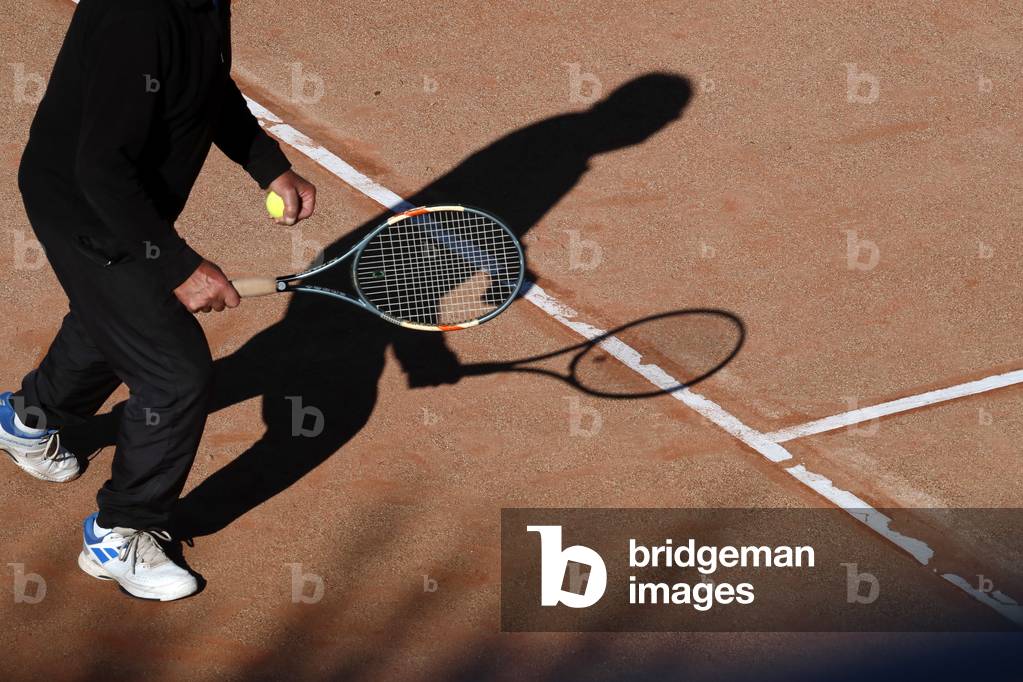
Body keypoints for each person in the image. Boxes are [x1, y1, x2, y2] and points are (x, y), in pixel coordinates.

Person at [0, 0, 316, 601]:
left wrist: (268, 166)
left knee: (113, 319)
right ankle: (122, 532)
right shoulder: (137, 16)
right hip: (90, 210)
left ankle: (30, 420)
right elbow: (99, 167)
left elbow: (201, 79)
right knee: (175, 373)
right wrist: (178, 266)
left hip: (124, 200)